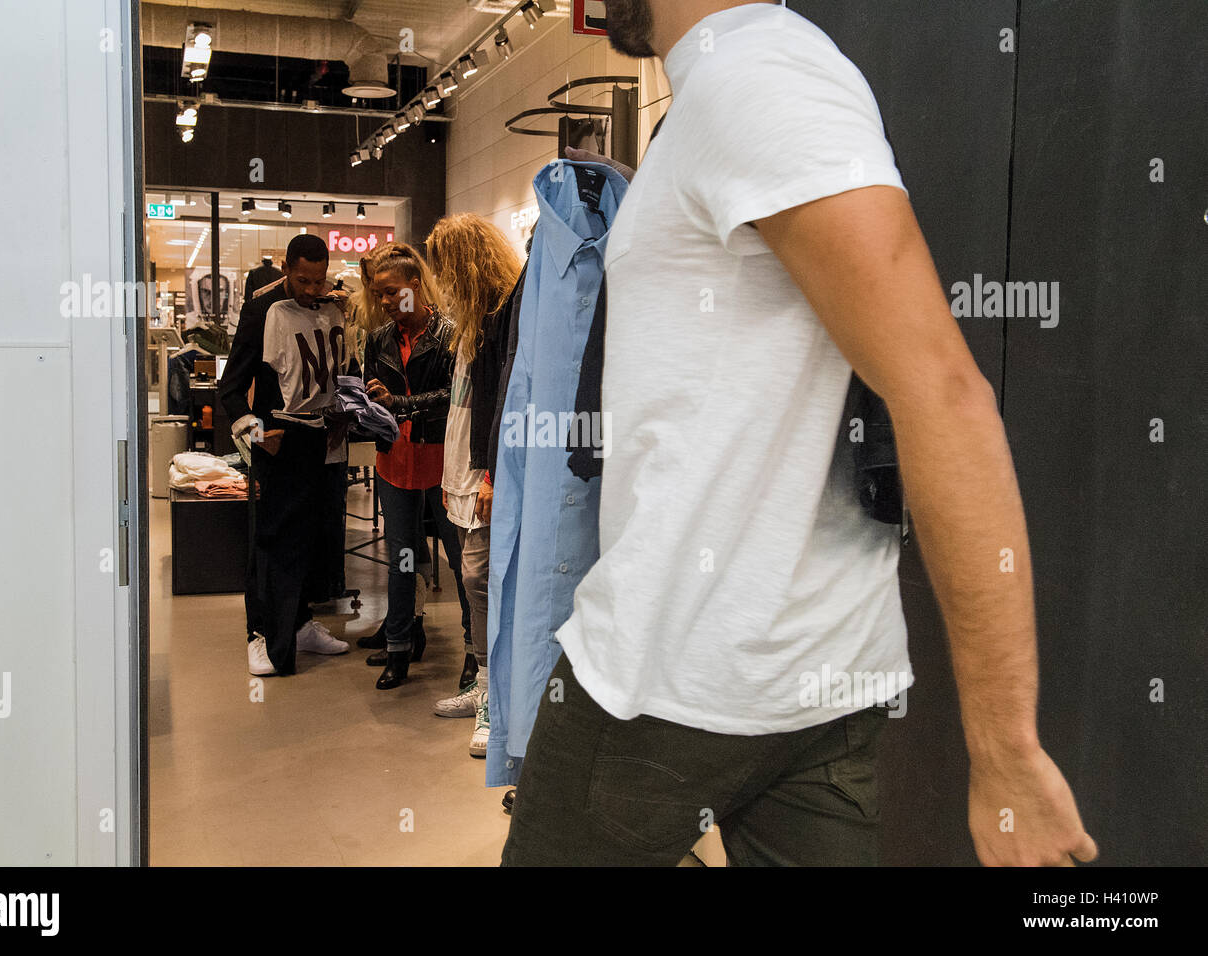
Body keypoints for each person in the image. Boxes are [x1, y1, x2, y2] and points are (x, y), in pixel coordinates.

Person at [501, 0, 1096, 867]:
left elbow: (945, 395)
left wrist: (1005, 751)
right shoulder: (724, 87)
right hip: (800, 681)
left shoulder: (758, 76)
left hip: (666, 682)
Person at [219, 233, 354, 676]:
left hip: (324, 438)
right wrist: (257, 433)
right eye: (304, 280)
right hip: (278, 437)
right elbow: (231, 388)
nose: (313, 289)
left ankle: (299, 624)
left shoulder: (333, 302)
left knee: (317, 537)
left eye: (320, 280)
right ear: (285, 267)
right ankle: (258, 634)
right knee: (272, 542)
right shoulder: (261, 309)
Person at [425, 214, 524, 757]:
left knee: (480, 579)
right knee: (473, 584)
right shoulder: (471, 323)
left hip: (486, 473)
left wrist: (488, 474)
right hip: (463, 471)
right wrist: (453, 475)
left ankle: (493, 700)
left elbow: (504, 407)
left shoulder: (499, 319)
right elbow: (463, 406)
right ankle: (484, 685)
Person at [362, 242, 472, 690]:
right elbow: (378, 397)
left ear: (415, 285)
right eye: (379, 294)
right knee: (401, 562)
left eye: (391, 292)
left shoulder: (450, 333)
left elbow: (455, 396)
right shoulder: (378, 338)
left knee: (463, 565)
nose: (385, 302)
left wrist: (401, 404)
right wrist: (364, 403)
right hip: (395, 463)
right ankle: (399, 649)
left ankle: (474, 653)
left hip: (443, 465)